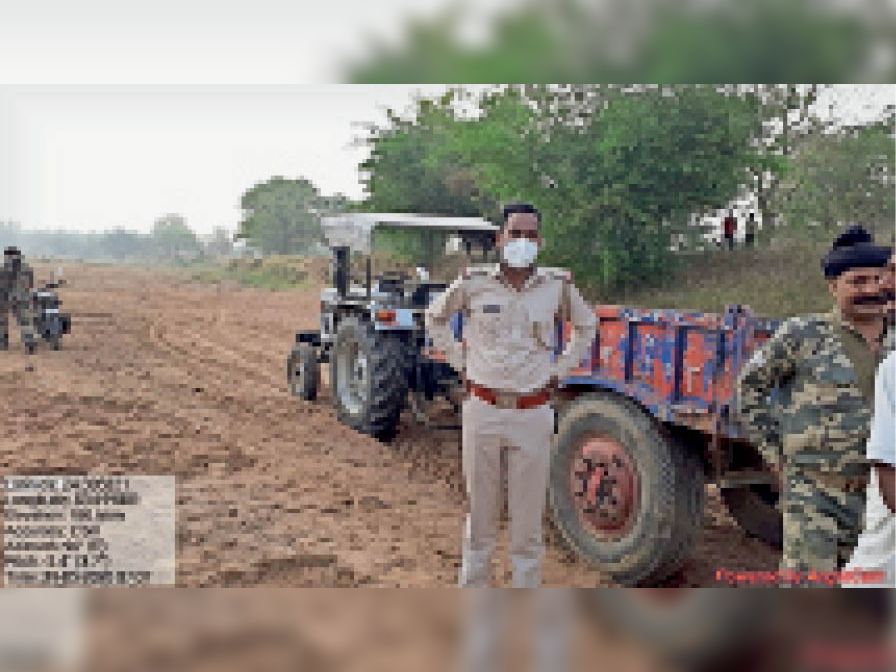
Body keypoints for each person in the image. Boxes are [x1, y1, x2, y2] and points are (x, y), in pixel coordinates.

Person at [425, 202, 596, 588]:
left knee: (527, 528)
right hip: (483, 410)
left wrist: (560, 370)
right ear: (500, 238)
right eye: (515, 233)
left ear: (541, 241)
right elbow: (434, 318)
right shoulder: (473, 282)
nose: (522, 241)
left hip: (533, 414)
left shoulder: (557, 287)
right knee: (480, 522)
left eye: (530, 235)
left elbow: (586, 326)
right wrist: (460, 362)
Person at [736, 225, 891, 584]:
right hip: (815, 495)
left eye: (877, 279)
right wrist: (776, 457)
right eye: (857, 281)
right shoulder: (802, 335)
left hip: (880, 501)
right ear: (833, 286)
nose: (870, 290)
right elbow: (751, 388)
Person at [0, 246, 37, 353]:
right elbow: (30, 284)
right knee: (25, 321)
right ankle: (29, 342)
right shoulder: (27, 268)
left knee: (2, 322)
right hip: (23, 298)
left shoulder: (3, 269)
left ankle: (2, 343)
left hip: (5, 298)